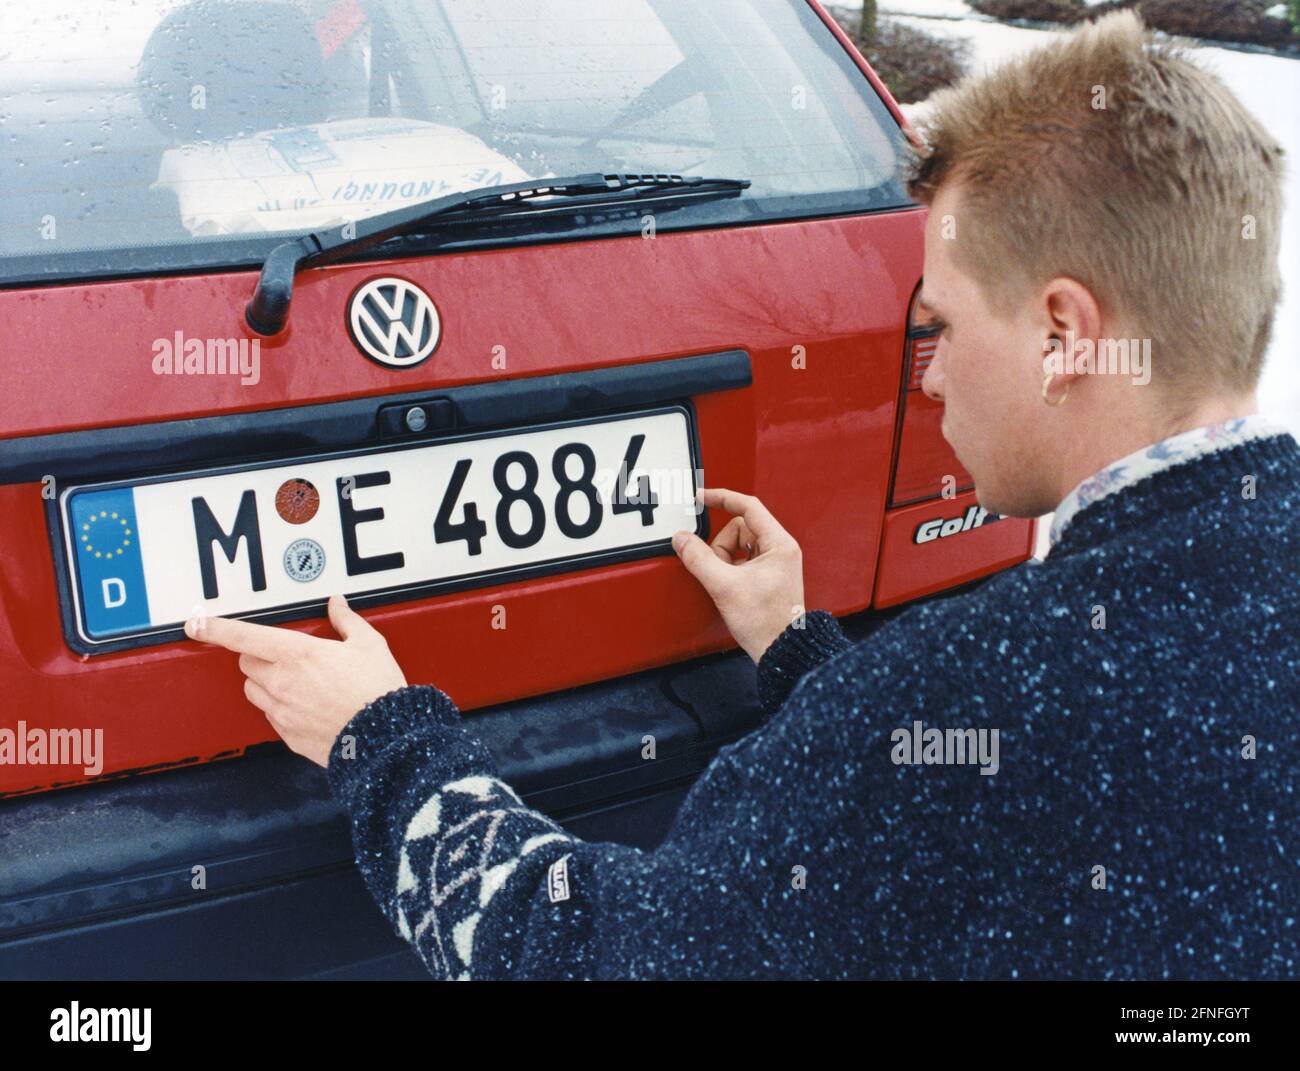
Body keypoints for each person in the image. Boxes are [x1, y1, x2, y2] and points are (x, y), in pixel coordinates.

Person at [188, 11, 1298, 979]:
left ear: (1064, 335)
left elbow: (608, 960)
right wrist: (803, 655)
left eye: (943, 322)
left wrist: (380, 743)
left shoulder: (962, 692)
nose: (931, 369)